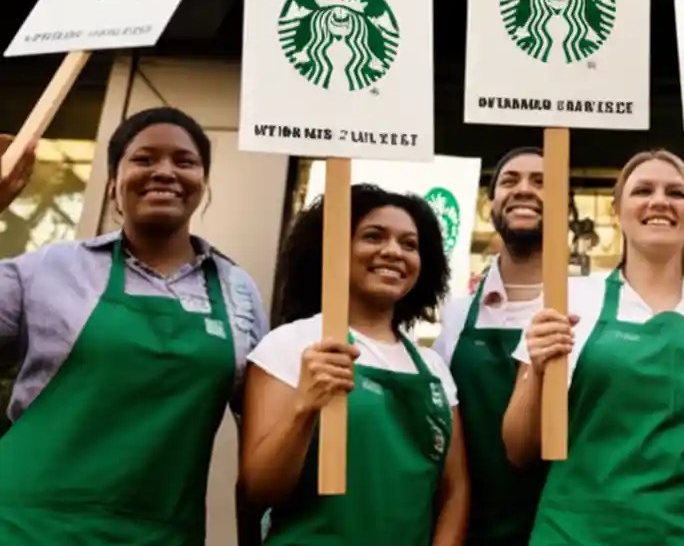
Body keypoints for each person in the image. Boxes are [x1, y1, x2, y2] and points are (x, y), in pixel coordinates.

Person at [0, 108, 270, 544]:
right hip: (25, 527)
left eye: (185, 161)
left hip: (161, 535)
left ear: (203, 183)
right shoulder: (51, 268)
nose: (164, 171)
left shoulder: (238, 291)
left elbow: (261, 442)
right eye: (144, 159)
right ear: (113, 183)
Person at [504, 149, 684, 545]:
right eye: (643, 190)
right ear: (617, 212)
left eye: (676, 193)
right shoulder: (567, 301)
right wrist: (537, 370)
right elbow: (518, 450)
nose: (659, 201)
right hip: (579, 535)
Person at [241, 184, 469, 545]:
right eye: (373, 236)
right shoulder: (290, 345)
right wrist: (304, 407)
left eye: (409, 244)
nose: (393, 251)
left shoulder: (434, 368)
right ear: (331, 249)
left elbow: (454, 493)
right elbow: (259, 488)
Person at [434, 146, 549, 545]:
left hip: (558, 528)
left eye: (541, 182)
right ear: (491, 205)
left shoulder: (588, 309)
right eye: (510, 181)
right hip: (468, 527)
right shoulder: (456, 315)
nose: (524, 189)